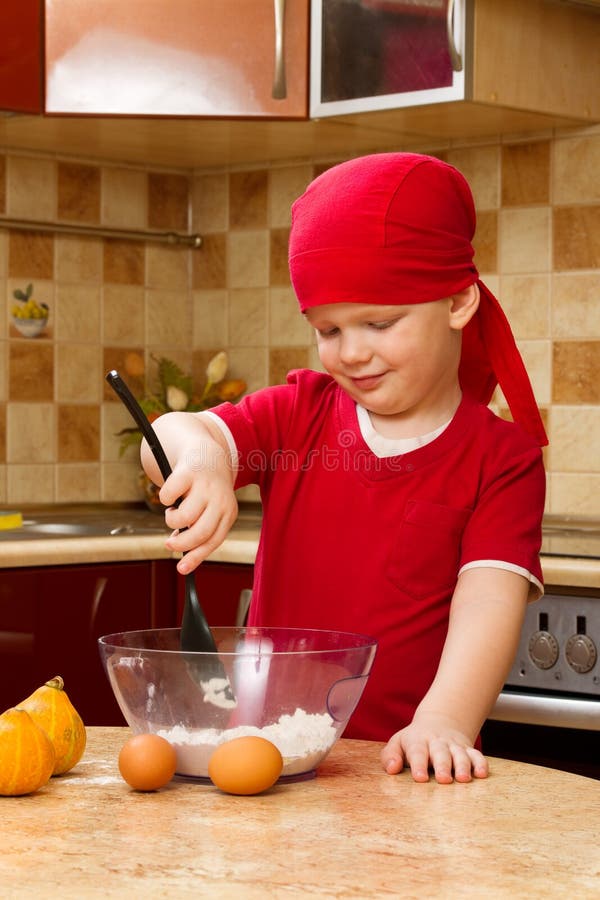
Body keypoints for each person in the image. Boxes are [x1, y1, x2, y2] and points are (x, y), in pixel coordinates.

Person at [142, 153, 547, 785]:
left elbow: (488, 605)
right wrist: (202, 460)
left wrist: (444, 722)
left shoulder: (503, 461)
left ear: (458, 302)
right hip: (269, 765)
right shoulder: (297, 414)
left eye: (379, 322)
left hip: (403, 772)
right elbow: (172, 432)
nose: (352, 352)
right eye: (328, 329)